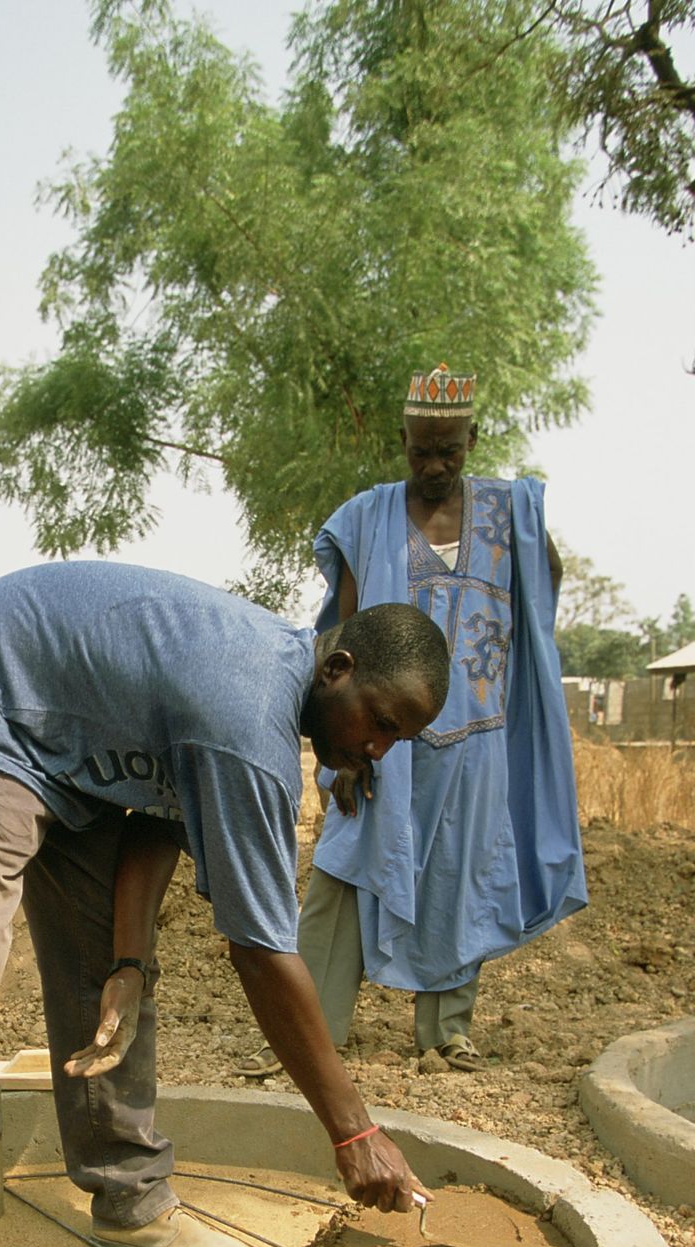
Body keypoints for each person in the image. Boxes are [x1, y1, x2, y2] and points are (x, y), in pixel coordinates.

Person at [0, 560, 449, 1247]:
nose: (375, 749)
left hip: (64, 751)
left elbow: (160, 821)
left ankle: (129, 1197)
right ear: (336, 669)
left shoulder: (255, 699)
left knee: (104, 975)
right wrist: (353, 1133)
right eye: (377, 721)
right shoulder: (247, 718)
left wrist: (127, 961)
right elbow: (262, 951)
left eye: (395, 741)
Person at [238, 364, 586, 1080]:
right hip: (381, 740)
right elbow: (341, 631)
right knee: (342, 874)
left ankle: (446, 1034)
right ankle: (309, 1037)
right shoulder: (370, 516)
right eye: (420, 451)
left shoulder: (511, 512)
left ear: (472, 440)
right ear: (402, 442)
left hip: (475, 741)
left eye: (449, 452)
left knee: (463, 876)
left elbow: (543, 593)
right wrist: (341, 758)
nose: (434, 467)